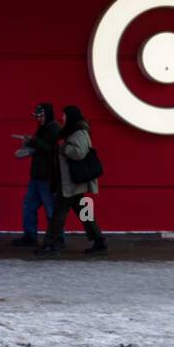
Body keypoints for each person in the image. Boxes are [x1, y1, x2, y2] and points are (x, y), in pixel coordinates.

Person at [38, 105, 107, 256]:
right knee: (84, 211)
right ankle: (99, 240)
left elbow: (80, 153)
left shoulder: (79, 131)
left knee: (59, 213)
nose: (62, 118)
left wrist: (63, 149)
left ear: (71, 116)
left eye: (64, 116)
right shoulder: (74, 129)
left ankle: (50, 243)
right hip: (73, 182)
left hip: (71, 182)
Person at [13, 102, 61, 246]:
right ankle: (30, 236)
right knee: (29, 206)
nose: (38, 119)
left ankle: (57, 239)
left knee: (51, 210)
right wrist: (28, 143)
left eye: (41, 116)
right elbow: (42, 147)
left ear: (47, 114)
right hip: (37, 176)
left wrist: (33, 140)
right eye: (37, 116)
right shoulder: (43, 128)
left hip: (47, 177)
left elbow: (52, 149)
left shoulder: (55, 128)